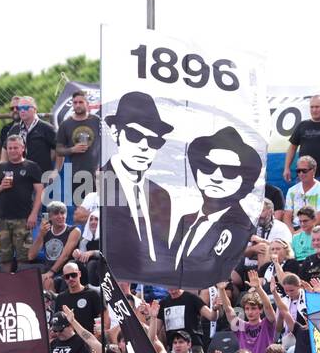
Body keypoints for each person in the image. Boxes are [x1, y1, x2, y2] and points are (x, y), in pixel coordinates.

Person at [171, 126, 261, 288]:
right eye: (209, 167)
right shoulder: (186, 220)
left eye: (229, 171)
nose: (216, 176)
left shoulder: (240, 225)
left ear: (245, 180)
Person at [99, 91, 176, 276]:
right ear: (115, 132)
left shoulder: (161, 194)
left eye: (154, 141)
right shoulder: (97, 181)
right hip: (116, 276)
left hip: (155, 278)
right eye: (134, 135)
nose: (144, 146)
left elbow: (164, 245)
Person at [54, 90, 101, 204]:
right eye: (75, 103)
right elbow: (59, 149)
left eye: (81, 102)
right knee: (80, 208)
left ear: (87, 104)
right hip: (76, 174)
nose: (78, 105)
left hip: (97, 173)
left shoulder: (97, 121)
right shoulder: (66, 124)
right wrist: (72, 149)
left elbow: (107, 144)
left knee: (98, 207)